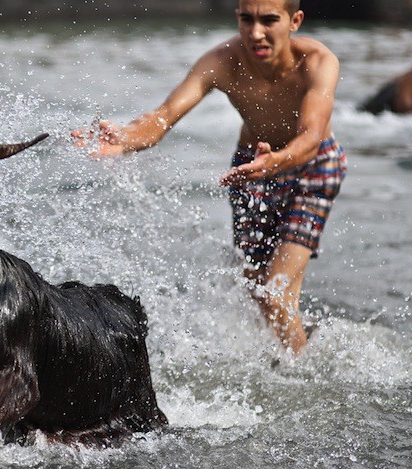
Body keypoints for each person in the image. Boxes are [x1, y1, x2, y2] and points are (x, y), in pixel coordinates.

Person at [72, 0, 346, 356]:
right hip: (251, 168)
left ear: (295, 21)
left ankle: (304, 375)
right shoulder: (221, 61)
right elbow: (164, 116)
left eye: (269, 20)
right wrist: (125, 138)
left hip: (312, 167)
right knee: (257, 288)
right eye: (246, 19)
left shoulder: (318, 62)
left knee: (275, 292)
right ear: (237, 18)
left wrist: (277, 160)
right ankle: (294, 345)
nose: (256, 32)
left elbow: (311, 138)